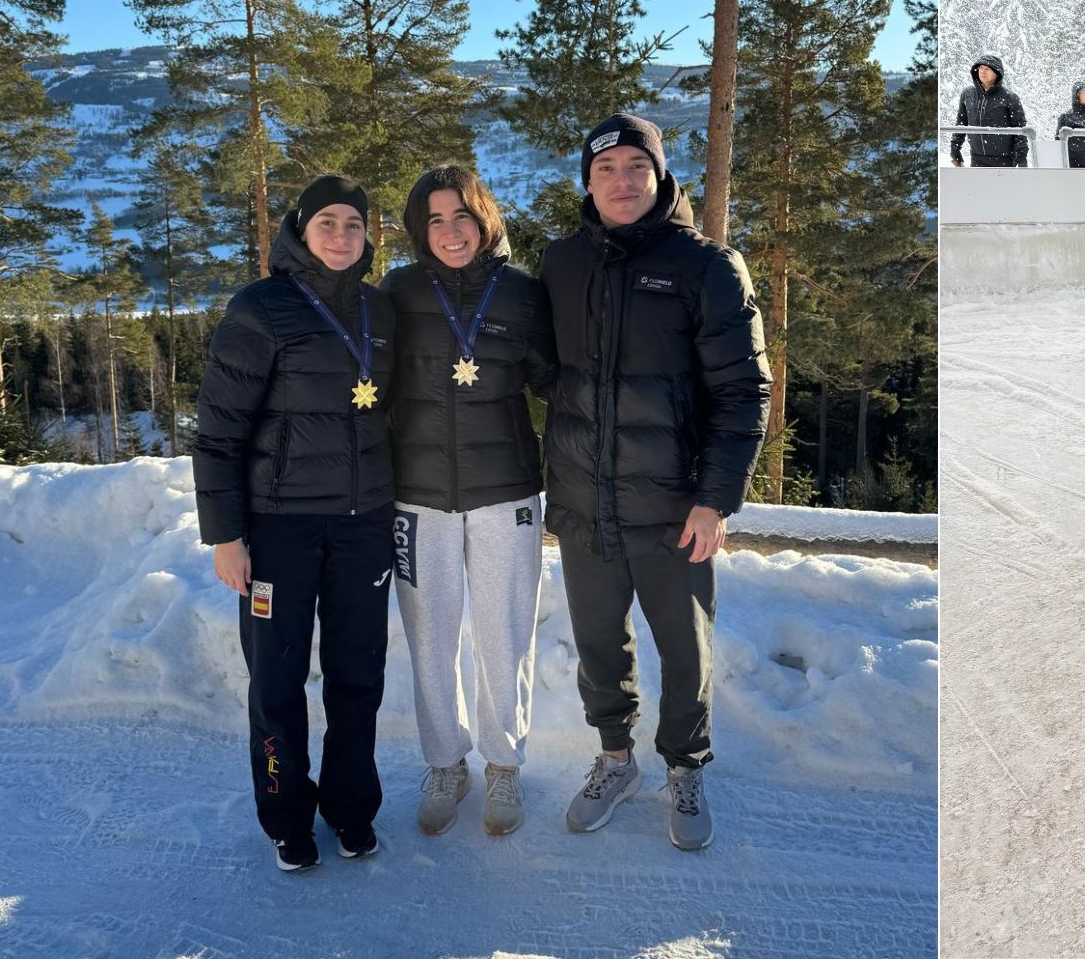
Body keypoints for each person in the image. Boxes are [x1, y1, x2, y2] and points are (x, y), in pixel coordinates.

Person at [540, 114, 770, 851]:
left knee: (684, 651)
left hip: (675, 508)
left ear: (661, 175)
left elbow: (743, 392)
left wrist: (715, 498)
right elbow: (541, 372)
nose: (621, 182)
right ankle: (615, 760)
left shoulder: (707, 266)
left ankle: (684, 764)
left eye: (636, 167)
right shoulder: (562, 264)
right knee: (599, 644)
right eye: (606, 170)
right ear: (588, 180)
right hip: (583, 505)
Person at [192, 175, 396, 872]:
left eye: (354, 223)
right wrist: (224, 535)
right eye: (326, 223)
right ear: (299, 231)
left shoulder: (380, 310)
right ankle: (287, 816)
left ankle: (351, 809)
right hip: (279, 530)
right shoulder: (261, 308)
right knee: (277, 682)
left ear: (369, 235)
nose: (341, 235)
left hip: (364, 524)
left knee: (357, 677)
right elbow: (218, 432)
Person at [380, 165, 557, 838]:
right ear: (418, 229)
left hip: (505, 490)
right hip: (416, 494)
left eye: (462, 216)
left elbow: (556, 384)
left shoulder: (521, 294)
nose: (450, 231)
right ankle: (446, 763)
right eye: (435, 219)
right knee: (430, 633)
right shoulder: (396, 293)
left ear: (484, 218)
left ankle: (504, 766)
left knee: (503, 632)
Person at [949, 55, 1029, 167]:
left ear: (996, 73)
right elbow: (961, 123)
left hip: (1004, 159)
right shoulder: (968, 94)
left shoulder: (1010, 98)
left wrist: (1021, 158)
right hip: (977, 158)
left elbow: (1020, 130)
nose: (982, 71)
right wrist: (954, 149)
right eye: (981, 68)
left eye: (987, 69)